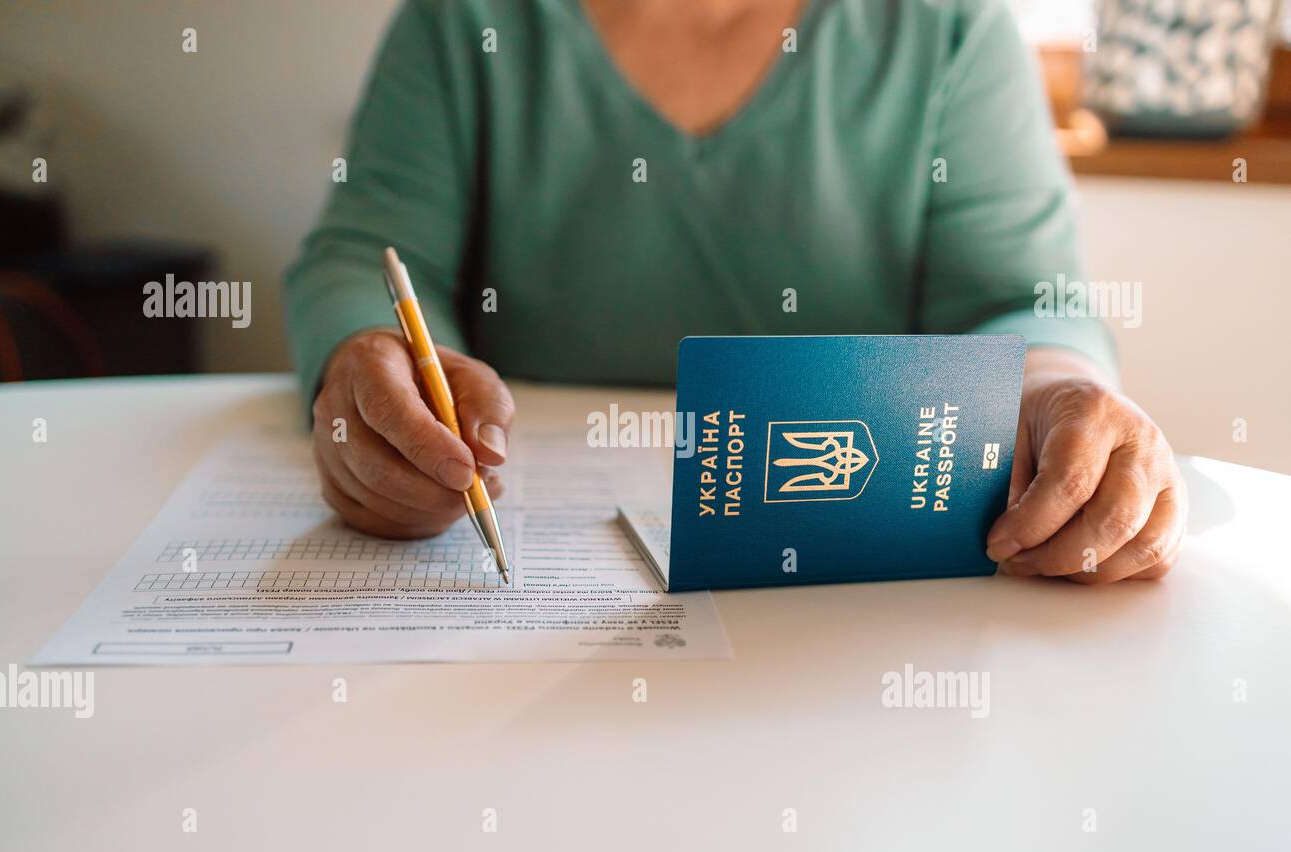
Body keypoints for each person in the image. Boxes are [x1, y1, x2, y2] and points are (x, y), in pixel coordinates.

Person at [285, 0, 1185, 584]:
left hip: (850, 602)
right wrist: (371, 361)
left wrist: (1054, 388)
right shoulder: (463, 22)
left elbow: (1020, 298)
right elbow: (364, 256)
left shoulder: (949, 25)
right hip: (533, 537)